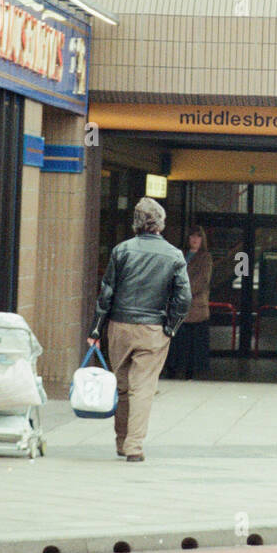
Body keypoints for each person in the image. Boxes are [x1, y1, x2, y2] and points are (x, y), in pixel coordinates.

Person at [90, 197, 191, 461]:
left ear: (135, 223)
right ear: (161, 224)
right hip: (153, 329)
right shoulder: (174, 255)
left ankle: (121, 442)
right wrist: (171, 327)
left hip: (119, 326)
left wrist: (96, 329)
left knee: (122, 386)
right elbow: (184, 299)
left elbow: (107, 293)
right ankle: (134, 446)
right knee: (142, 388)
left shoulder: (121, 250)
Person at [163, 226, 212, 379]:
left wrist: (182, 293)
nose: (195, 239)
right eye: (192, 236)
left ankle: (189, 372)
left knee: (192, 343)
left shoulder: (205, 257)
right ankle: (172, 370)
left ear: (202, 239)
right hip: (177, 307)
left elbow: (202, 280)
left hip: (195, 308)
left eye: (198, 237)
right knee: (175, 341)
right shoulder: (180, 255)